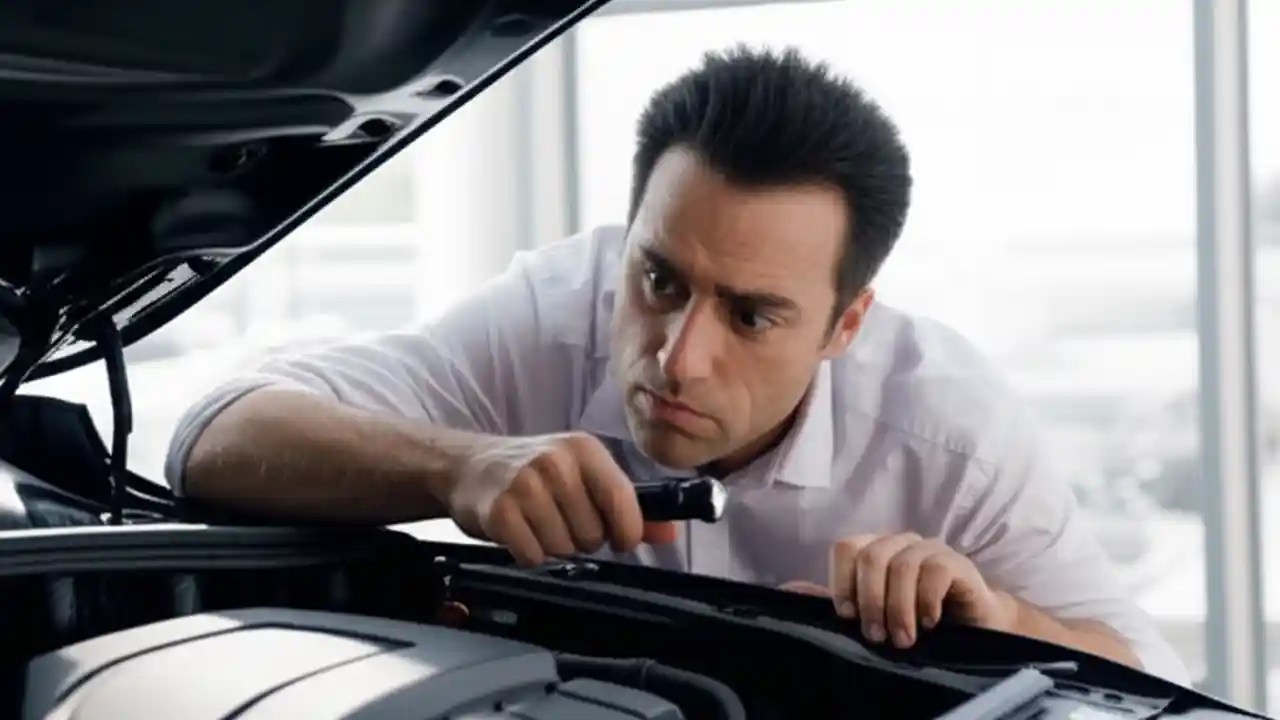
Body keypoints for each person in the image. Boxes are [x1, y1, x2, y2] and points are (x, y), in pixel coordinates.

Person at [167, 46, 1188, 684]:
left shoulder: (950, 431)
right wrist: (458, 465)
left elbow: (1153, 673)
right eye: (659, 279)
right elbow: (214, 432)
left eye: (751, 316)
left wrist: (1000, 621)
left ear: (844, 325)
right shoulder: (555, 310)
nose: (677, 357)